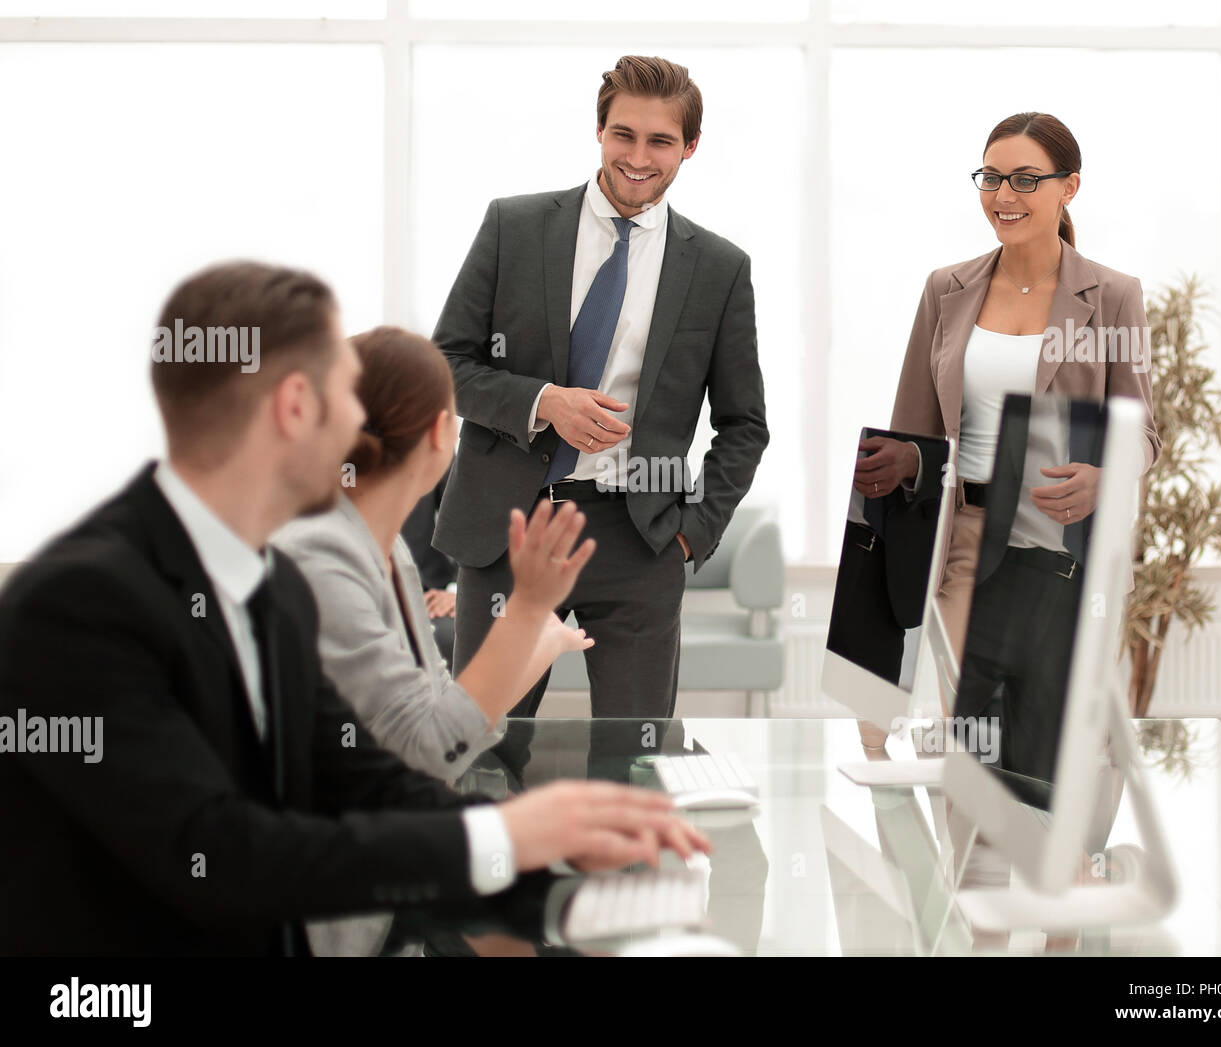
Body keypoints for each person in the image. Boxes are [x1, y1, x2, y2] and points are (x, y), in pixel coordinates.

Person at [0, 261, 708, 956]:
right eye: (348, 396)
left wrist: (559, 891)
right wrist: (507, 835)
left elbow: (369, 786)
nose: (361, 429)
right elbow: (218, 851)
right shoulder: (80, 604)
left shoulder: (267, 588)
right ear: (296, 408)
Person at [432, 54, 769, 719]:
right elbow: (445, 365)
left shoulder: (720, 268)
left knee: (634, 757)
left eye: (660, 141)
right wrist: (543, 402)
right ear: (599, 130)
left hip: (639, 535)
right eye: (625, 134)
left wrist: (691, 534)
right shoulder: (514, 227)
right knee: (487, 746)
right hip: (510, 527)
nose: (638, 157)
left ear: (689, 147)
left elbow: (745, 424)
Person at [272, 326, 597, 955]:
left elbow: (440, 718)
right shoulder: (318, 558)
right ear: (441, 436)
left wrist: (542, 636)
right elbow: (429, 746)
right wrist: (528, 609)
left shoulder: (385, 549)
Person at [865, 112, 1159, 679]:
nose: (1005, 195)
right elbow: (913, 430)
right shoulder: (946, 290)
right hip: (965, 537)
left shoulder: (1115, 296)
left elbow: (1143, 432)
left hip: (1065, 545)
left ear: (1068, 187)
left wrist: (1108, 474)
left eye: (1026, 179)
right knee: (959, 741)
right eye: (992, 178)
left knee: (1048, 754)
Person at [400, 476, 458, 665]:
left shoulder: (433, 449)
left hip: (430, 593)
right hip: (353, 587)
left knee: (453, 636)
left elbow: (471, 521)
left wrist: (457, 589)